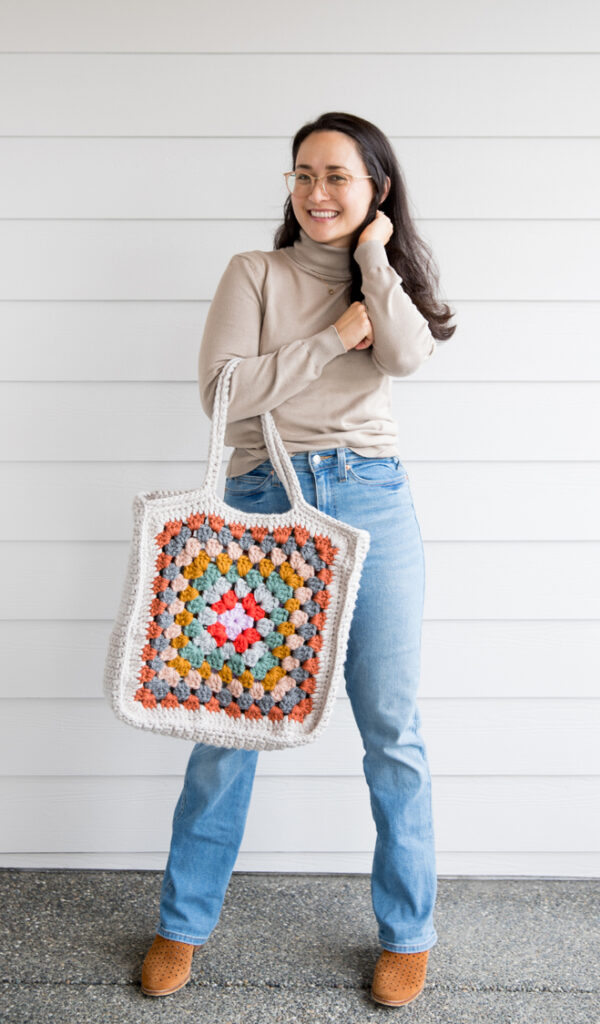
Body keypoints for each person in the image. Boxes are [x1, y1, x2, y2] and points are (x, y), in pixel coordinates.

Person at [140, 110, 456, 1008]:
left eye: (338, 179)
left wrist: (374, 265)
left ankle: (408, 934)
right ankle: (181, 925)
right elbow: (225, 395)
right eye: (303, 176)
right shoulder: (256, 272)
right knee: (225, 727)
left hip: (370, 498)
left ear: (376, 191)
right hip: (260, 500)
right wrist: (329, 339)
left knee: (391, 731)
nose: (317, 194)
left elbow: (402, 353)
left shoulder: (381, 278)